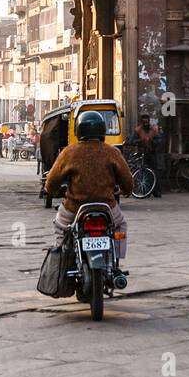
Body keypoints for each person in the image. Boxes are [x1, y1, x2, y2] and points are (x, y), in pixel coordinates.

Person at [45, 110, 131, 270]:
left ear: (78, 131)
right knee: (120, 226)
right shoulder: (113, 152)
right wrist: (126, 191)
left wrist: (51, 190)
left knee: (60, 226)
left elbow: (51, 182)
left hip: (74, 208)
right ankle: (116, 263)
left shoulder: (69, 152)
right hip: (107, 207)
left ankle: (62, 261)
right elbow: (128, 182)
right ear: (102, 131)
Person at [134, 114, 162, 199]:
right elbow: (132, 140)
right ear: (141, 122)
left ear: (149, 121)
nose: (146, 123)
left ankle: (156, 192)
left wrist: (152, 141)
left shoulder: (154, 130)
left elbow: (159, 140)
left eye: (147, 121)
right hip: (142, 154)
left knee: (155, 172)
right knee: (144, 173)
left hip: (152, 153)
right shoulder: (138, 130)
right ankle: (146, 191)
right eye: (144, 122)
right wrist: (140, 140)